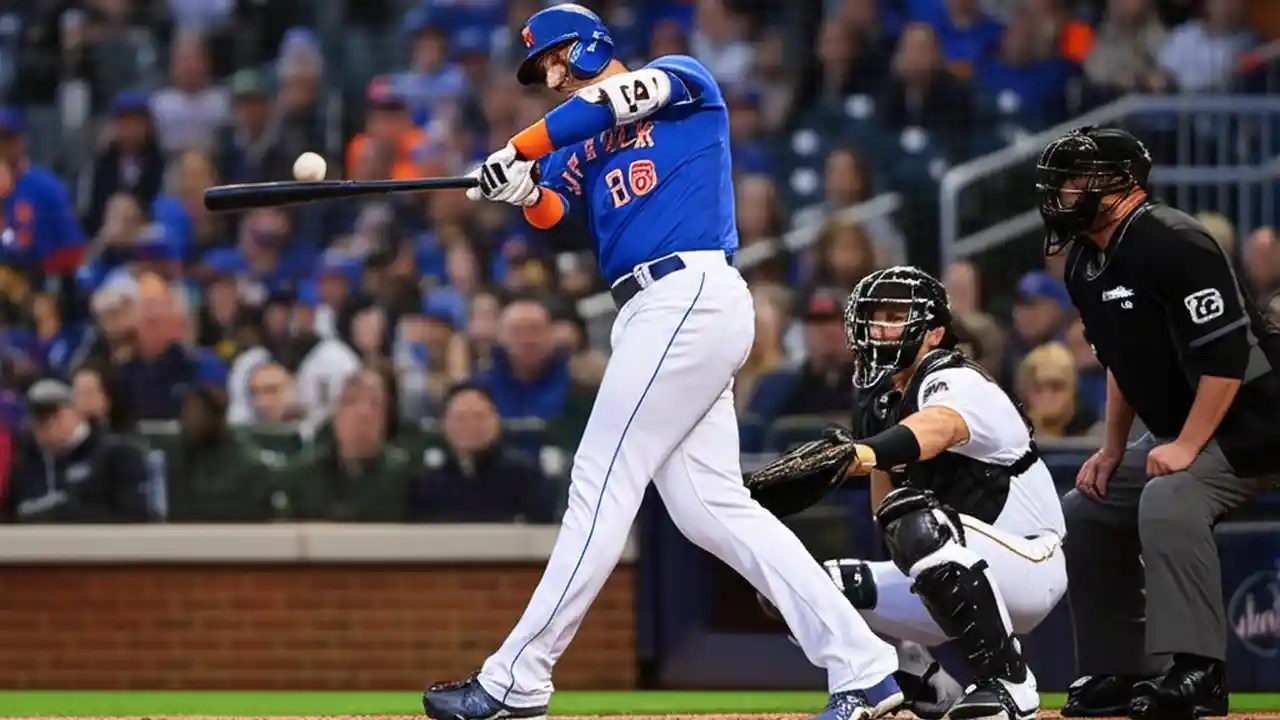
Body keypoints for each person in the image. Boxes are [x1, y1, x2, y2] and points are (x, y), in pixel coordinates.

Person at [421, 6, 902, 720]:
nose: (549, 76)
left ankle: (516, 679)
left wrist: (518, 148)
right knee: (711, 509)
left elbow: (603, 103)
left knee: (600, 478)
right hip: (651, 311)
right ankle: (864, 668)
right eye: (540, 69)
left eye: (554, 58)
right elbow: (561, 211)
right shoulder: (570, 143)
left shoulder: (678, 78)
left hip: (690, 292)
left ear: (587, 46)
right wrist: (524, 191)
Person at [1036, 125, 1280, 718]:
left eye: (1078, 180)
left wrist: (1188, 444)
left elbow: (1225, 358)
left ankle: (1200, 672)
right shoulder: (1084, 262)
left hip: (1256, 415)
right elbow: (1123, 360)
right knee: (1086, 509)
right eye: (1063, 181)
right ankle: (1120, 669)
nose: (1064, 192)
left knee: (1169, 498)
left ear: (1121, 186)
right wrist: (1113, 446)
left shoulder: (1174, 240)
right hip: (1189, 419)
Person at [760, 267, 1065, 720]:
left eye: (895, 316)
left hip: (1028, 562)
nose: (881, 326)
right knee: (796, 590)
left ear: (934, 332)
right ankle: (918, 679)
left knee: (917, 519)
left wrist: (860, 455)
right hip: (955, 563)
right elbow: (886, 519)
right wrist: (871, 451)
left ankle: (1009, 684)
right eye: (875, 316)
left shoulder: (955, 376)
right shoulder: (879, 399)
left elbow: (937, 427)